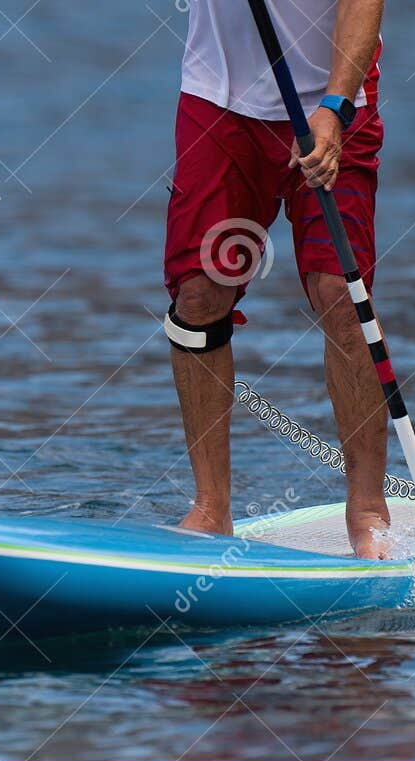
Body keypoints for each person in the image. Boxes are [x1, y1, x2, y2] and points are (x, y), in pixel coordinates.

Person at [163, 0, 389, 557]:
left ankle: (367, 509)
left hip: (332, 105)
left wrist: (334, 109)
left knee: (339, 293)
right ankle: (212, 510)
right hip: (218, 104)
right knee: (199, 293)